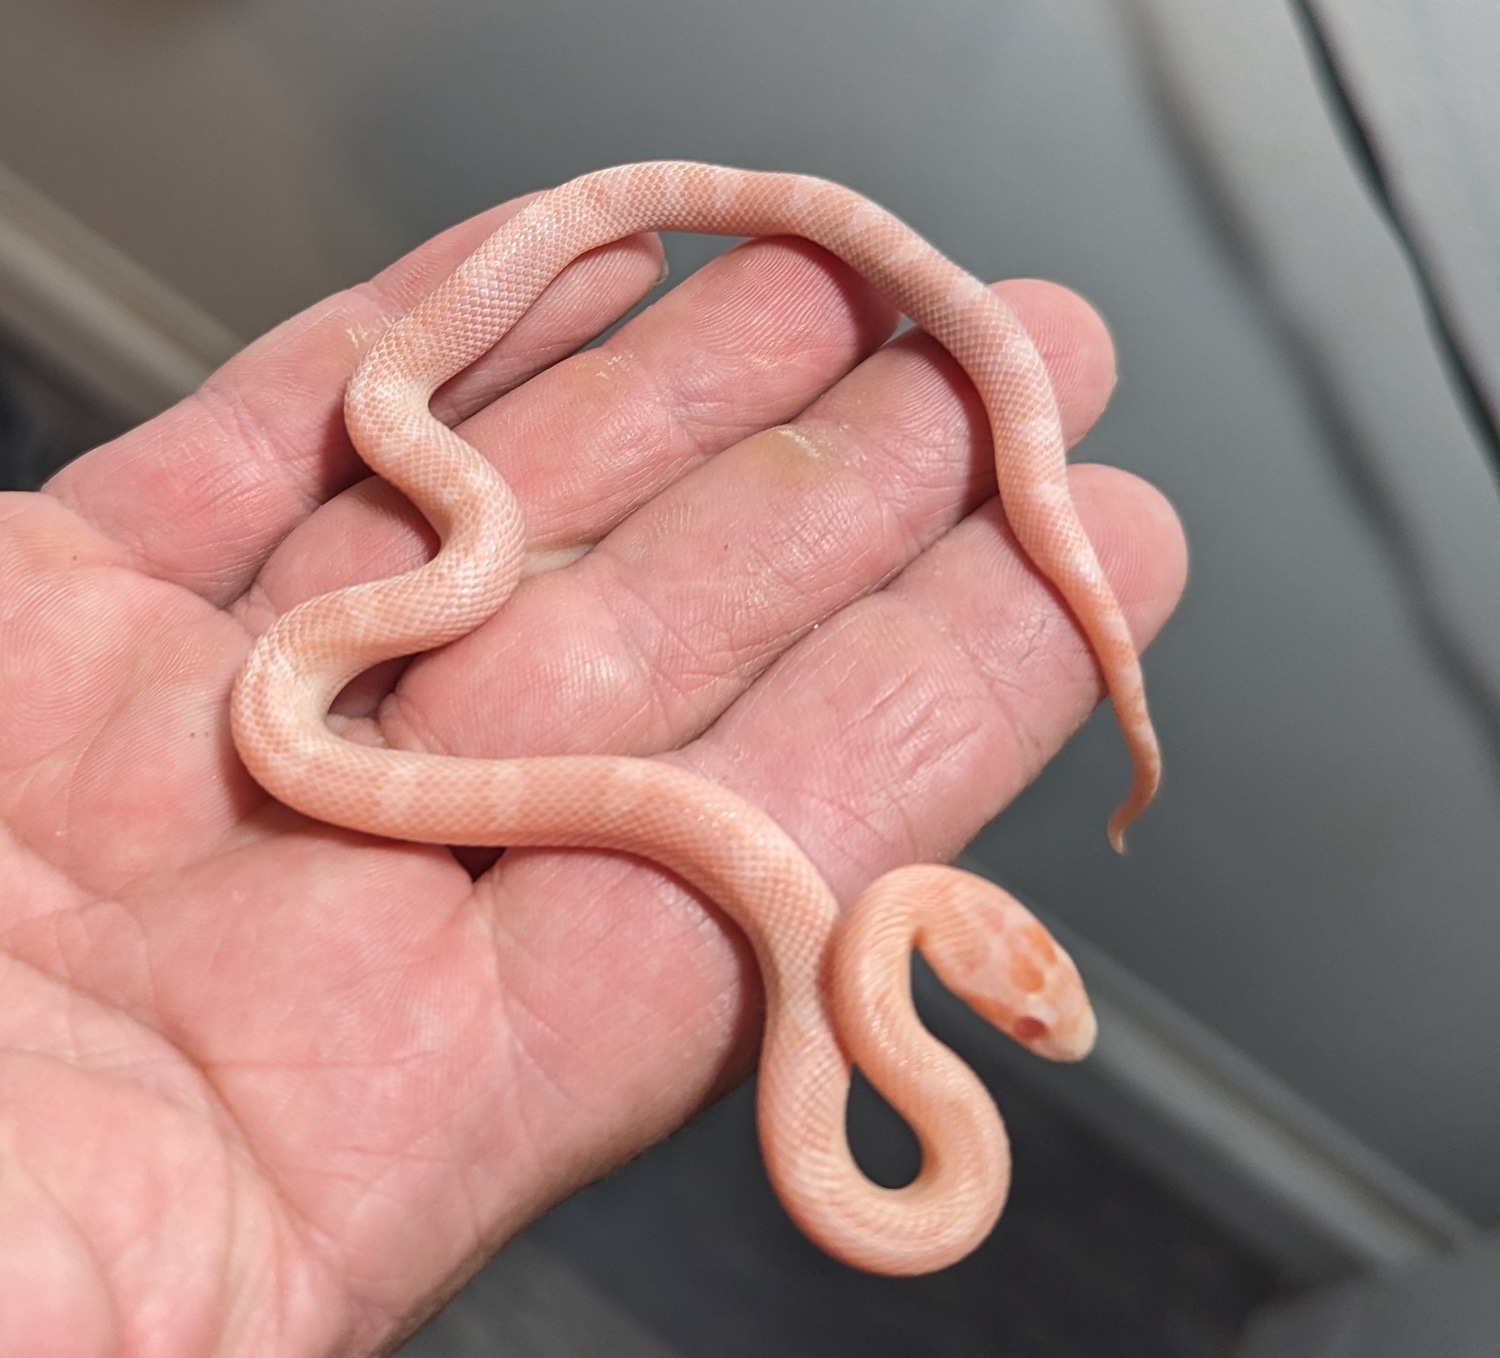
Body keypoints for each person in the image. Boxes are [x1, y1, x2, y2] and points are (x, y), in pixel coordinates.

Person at [0, 190, 1186, 1356]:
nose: (1039, 1030)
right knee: (475, 540)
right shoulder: (855, 965)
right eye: (1029, 1016)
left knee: (480, 532)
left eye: (1026, 1016)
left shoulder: (848, 949)